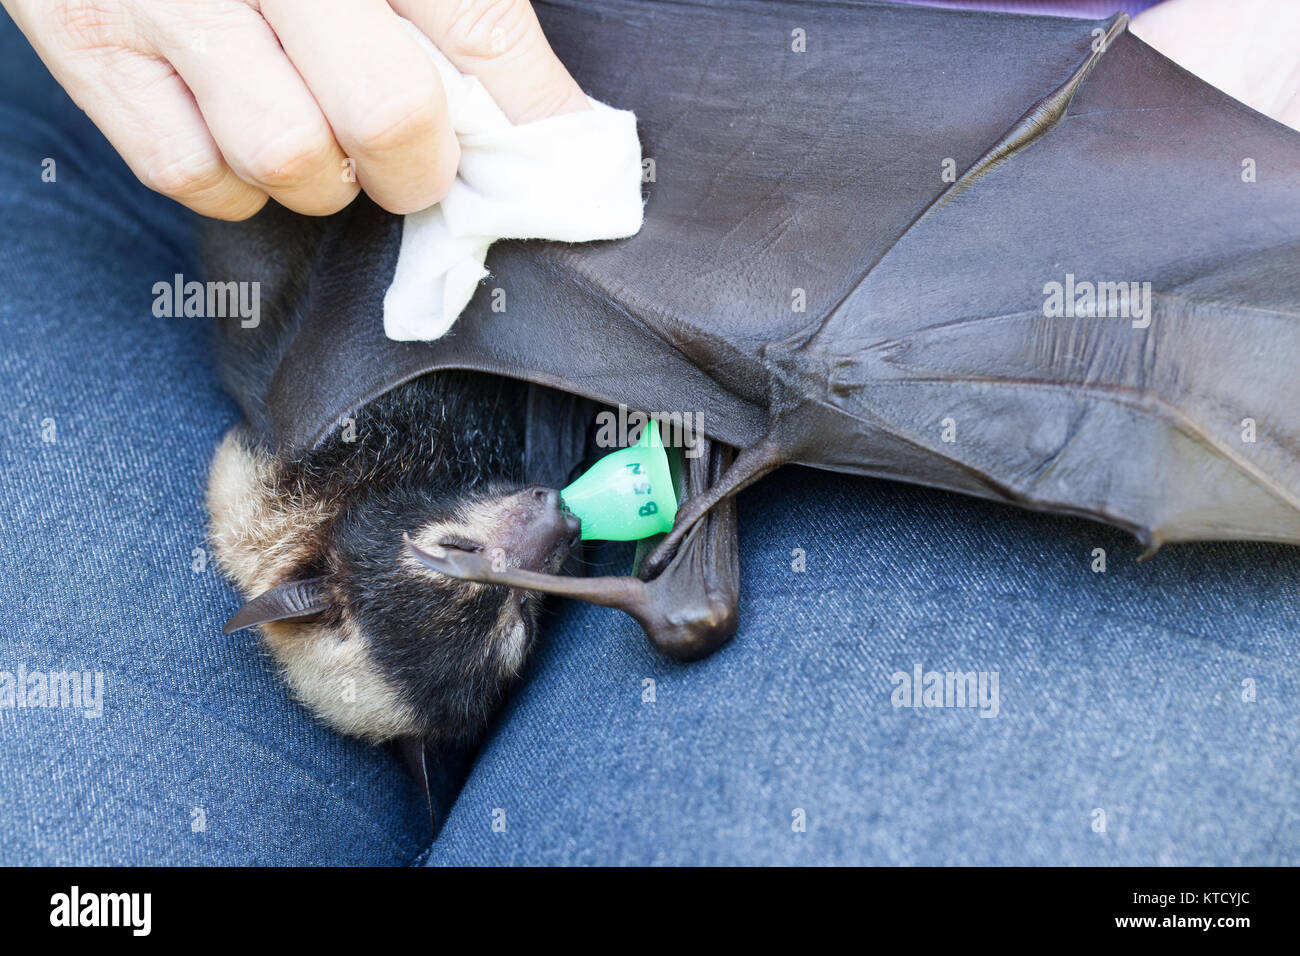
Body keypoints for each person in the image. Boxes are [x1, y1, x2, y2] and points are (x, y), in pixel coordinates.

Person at [1, 0, 1297, 865]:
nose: (524, 532)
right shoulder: (477, 514)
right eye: (511, 600)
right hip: (209, 88)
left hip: (1003, 105)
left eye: (475, 567)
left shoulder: (321, 438)